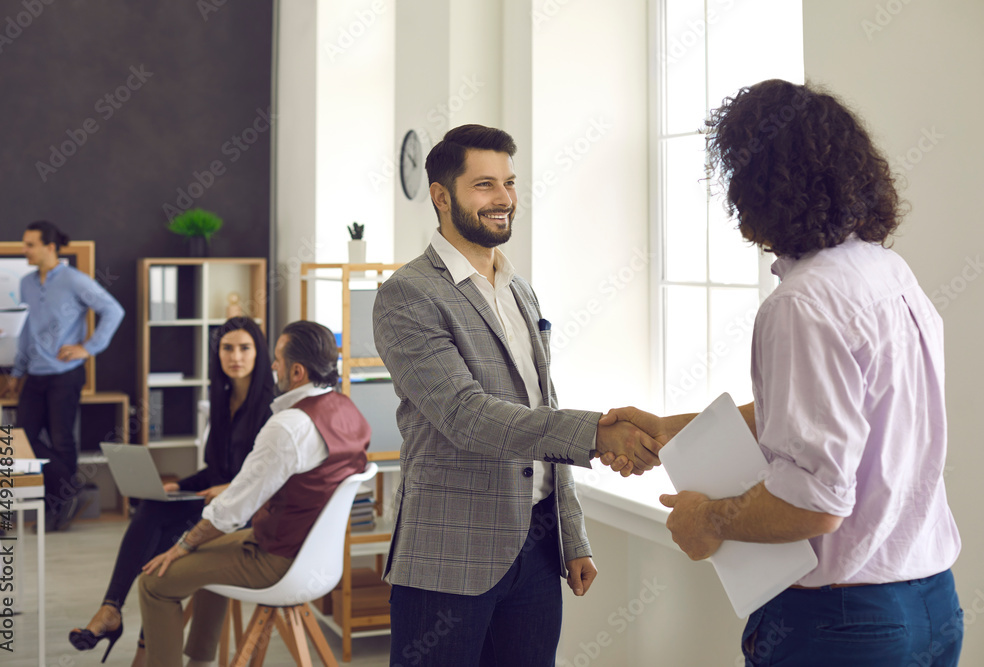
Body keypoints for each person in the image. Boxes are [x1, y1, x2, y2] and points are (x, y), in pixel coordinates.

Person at [603, 79, 963, 666]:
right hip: (930, 606)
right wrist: (673, 429)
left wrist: (707, 519)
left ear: (757, 186)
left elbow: (817, 502)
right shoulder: (888, 273)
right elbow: (821, 419)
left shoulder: (802, 303)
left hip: (841, 625)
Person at [372, 124, 661, 666]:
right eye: (484, 185)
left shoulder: (519, 289)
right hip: (448, 559)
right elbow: (467, 416)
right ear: (441, 196)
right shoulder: (408, 295)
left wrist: (571, 535)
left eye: (508, 182)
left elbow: (541, 408)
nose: (504, 199)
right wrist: (599, 433)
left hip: (535, 550)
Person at [138, 321, 371, 667]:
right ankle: (199, 662)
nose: (271, 365)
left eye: (276, 359)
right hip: (315, 558)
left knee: (153, 582)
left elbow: (232, 510)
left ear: (296, 370)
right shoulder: (348, 410)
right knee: (201, 555)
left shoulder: (287, 427)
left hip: (276, 561)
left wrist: (182, 544)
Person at [68, 317, 274, 665]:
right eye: (227, 348)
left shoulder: (271, 407)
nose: (235, 356)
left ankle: (140, 646)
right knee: (152, 507)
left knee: (167, 540)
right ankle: (111, 607)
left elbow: (265, 477)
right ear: (217, 354)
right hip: (215, 502)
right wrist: (178, 485)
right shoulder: (221, 402)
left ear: (259, 353)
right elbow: (215, 469)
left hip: (245, 513)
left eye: (244, 348)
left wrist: (226, 488)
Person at [1, 220, 124, 530]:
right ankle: (72, 492)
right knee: (23, 440)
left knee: (62, 441)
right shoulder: (27, 282)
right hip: (34, 374)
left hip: (65, 375)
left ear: (50, 247)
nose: (24, 250)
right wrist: (17, 372)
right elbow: (27, 330)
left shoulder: (74, 280)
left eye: (30, 244)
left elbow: (113, 310)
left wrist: (89, 347)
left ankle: (59, 509)